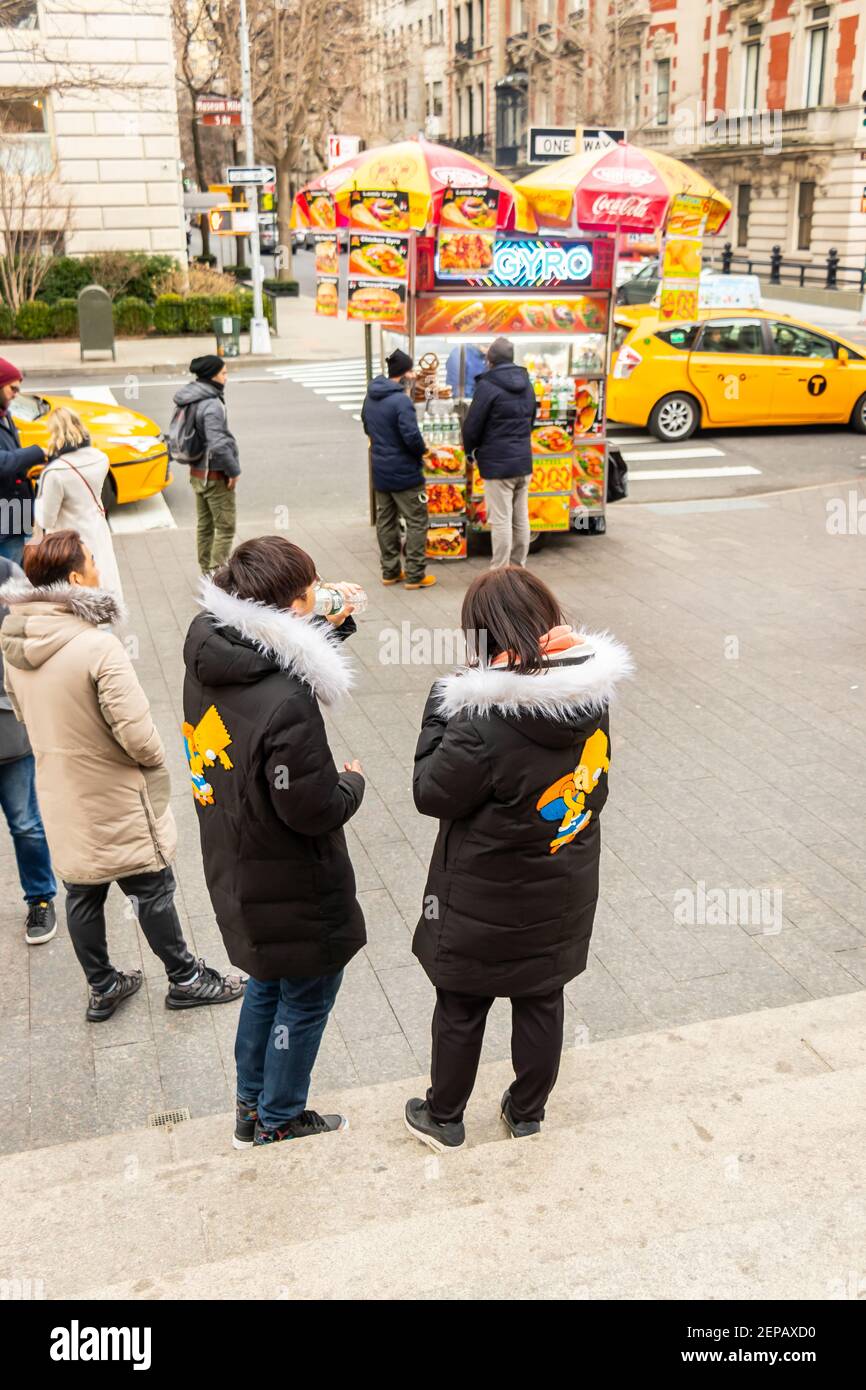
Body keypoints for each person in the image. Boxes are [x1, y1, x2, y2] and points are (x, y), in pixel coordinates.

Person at [404, 566, 632, 1152]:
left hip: (482, 894)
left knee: (462, 1002)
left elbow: (431, 792)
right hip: (561, 883)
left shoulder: (481, 720)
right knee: (541, 995)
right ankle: (527, 1111)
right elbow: (597, 783)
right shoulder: (589, 692)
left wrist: (439, 712)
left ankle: (445, 1116)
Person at [0, 530, 244, 1022]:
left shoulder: (17, 646)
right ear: (75, 578)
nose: (97, 567)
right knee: (152, 887)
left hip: (59, 787)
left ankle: (103, 985)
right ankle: (186, 978)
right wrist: (155, 762)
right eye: (91, 560)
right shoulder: (97, 647)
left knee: (83, 890)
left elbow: (24, 718)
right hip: (114, 791)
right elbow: (137, 734)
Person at [183, 536, 367, 1148]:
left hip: (235, 858)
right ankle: (280, 1117)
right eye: (309, 594)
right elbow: (312, 810)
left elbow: (267, 667)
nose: (319, 598)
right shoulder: (289, 702)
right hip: (292, 880)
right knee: (307, 994)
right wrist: (351, 782)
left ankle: (249, 1106)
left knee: (266, 982)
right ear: (286, 609)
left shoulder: (210, 647)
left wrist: (329, 626)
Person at [0, 554, 58, 944]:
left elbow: (32, 629)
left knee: (25, 822)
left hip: (6, 724)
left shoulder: (5, 572)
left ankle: (40, 899)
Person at [361, 348, 436, 591]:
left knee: (386, 520)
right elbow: (411, 436)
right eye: (411, 371)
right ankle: (415, 575)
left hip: (380, 471)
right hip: (406, 473)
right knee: (416, 520)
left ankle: (390, 571)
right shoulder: (401, 401)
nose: (414, 375)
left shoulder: (371, 396)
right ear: (403, 375)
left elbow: (366, 426)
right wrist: (423, 453)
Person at [33, 406, 123, 602]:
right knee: (101, 584)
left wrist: (38, 497)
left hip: (69, 543)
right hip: (97, 532)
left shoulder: (55, 472)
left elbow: (47, 518)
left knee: (76, 596)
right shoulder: (101, 458)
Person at [461, 337, 536, 570]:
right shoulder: (526, 382)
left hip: (497, 465)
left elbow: (472, 425)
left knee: (502, 520)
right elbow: (531, 419)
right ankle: (518, 567)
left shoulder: (488, 386)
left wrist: (471, 451)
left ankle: (500, 571)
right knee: (521, 518)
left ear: (490, 360)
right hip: (523, 461)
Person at [170, 356, 240, 573]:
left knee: (205, 525)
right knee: (226, 528)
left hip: (197, 473)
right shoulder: (211, 403)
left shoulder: (191, 396)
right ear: (213, 376)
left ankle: (206, 572)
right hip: (214, 475)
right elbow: (217, 443)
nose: (226, 378)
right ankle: (217, 578)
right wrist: (233, 470)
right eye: (224, 373)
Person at [0, 356, 46, 566]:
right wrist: (39, 451)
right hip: (5, 520)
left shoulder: (5, 414)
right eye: (13, 389)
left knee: (18, 572)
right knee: (9, 582)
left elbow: (13, 455)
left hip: (16, 515)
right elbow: (4, 462)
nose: (16, 394)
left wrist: (28, 470)